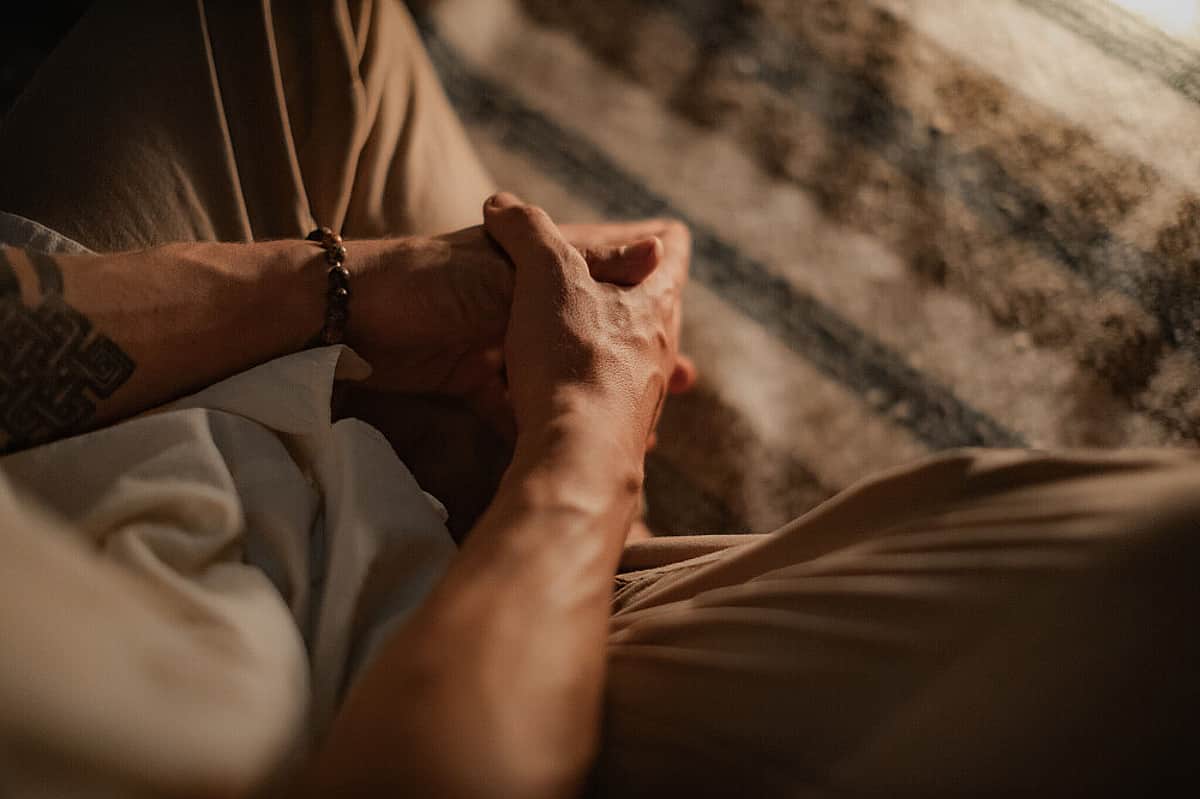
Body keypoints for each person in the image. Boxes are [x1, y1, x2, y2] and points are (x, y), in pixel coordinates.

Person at [0, 1, 1195, 797]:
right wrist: (588, 445)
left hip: (116, 470)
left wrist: (342, 287)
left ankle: (483, 480)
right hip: (420, 717)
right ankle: (555, 557)